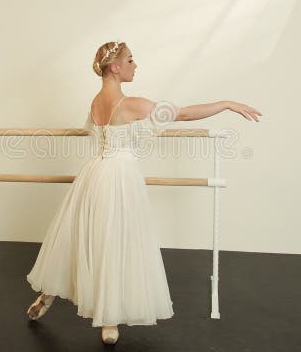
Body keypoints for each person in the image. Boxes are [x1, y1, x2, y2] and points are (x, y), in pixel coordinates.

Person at [25, 41, 262, 344]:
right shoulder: (131, 104)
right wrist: (225, 103)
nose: (135, 65)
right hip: (118, 176)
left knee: (83, 238)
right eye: (131, 60)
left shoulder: (96, 101)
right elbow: (184, 114)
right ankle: (108, 321)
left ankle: (48, 295)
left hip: (93, 173)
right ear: (115, 67)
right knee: (114, 241)